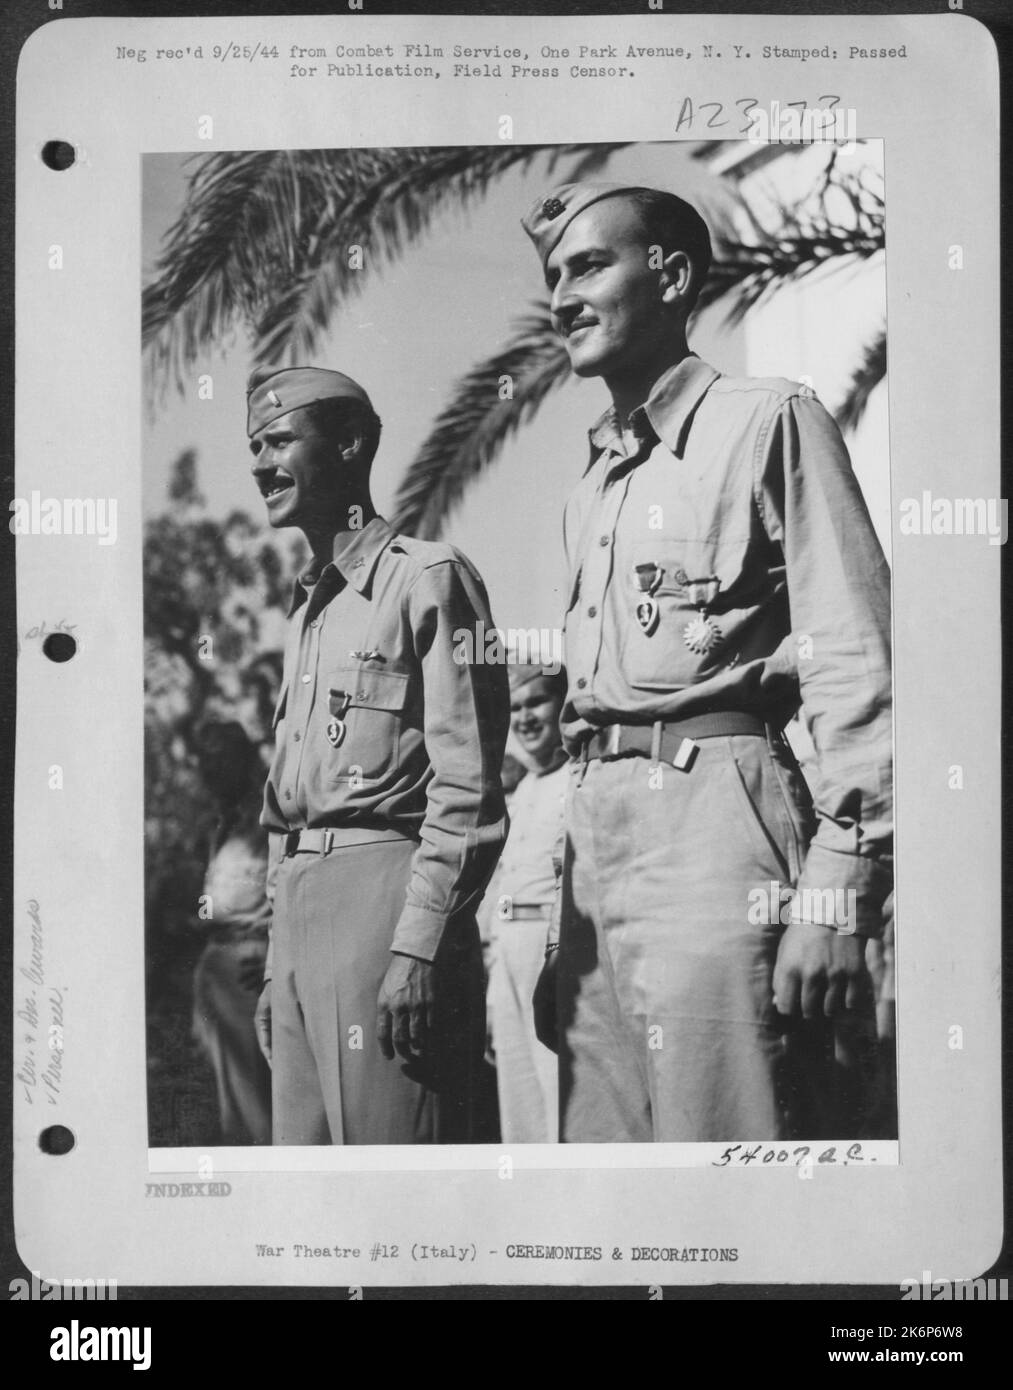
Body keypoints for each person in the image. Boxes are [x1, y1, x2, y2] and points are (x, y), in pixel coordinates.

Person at [521, 182, 893, 1142]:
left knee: (730, 1147)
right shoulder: (590, 488)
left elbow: (855, 656)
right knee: (607, 1185)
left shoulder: (768, 421)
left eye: (590, 266)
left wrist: (837, 891)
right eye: (554, 274)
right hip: (594, 838)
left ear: (674, 277)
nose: (563, 295)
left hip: (719, 820)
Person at [246, 366, 510, 1145]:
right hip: (296, 916)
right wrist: (273, 964)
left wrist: (418, 947)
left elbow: (467, 786)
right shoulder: (307, 612)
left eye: (282, 440)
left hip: (384, 906)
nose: (262, 462)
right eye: (254, 446)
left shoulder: (426, 580)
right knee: (307, 1199)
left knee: (396, 1185)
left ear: (352, 444)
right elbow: (282, 805)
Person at [484, 663, 568, 1143]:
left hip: (549, 946)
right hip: (507, 951)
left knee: (558, 1094)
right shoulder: (522, 789)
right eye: (515, 708)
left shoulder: (579, 776)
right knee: (518, 1110)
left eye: (537, 702)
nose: (525, 717)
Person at [190, 721, 272, 1145]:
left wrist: (275, 958)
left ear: (244, 760)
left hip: (250, 966)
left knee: (258, 1107)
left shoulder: (268, 818)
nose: (210, 767)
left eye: (221, 756)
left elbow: (292, 892)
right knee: (226, 1109)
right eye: (205, 758)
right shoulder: (221, 822)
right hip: (217, 967)